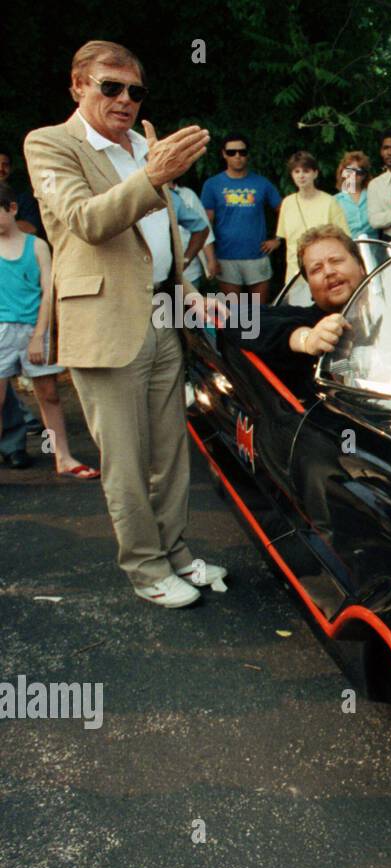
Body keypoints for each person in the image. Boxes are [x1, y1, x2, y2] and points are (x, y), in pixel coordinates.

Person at [24, 39, 225, 608]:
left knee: (170, 451)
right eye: (109, 87)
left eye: (135, 90)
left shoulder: (145, 141)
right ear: (78, 86)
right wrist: (151, 175)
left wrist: (187, 291)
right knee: (127, 460)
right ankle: (144, 567)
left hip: (161, 314)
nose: (125, 99)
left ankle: (176, 553)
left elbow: (161, 239)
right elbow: (87, 222)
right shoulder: (49, 144)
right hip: (104, 324)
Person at [0, 180, 98, 478]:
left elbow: (48, 292)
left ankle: (59, 455)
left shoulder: (37, 245)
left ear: (12, 208)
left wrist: (39, 333)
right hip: (1, 331)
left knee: (49, 395)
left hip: (35, 329)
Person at [245, 224, 362, 393]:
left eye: (336, 261)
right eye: (316, 269)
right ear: (309, 285)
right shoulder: (305, 319)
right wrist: (305, 339)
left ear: (361, 265)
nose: (328, 272)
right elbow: (237, 318)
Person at [201, 133, 282, 303]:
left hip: (257, 256)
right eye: (232, 152)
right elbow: (205, 224)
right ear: (224, 154)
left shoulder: (262, 183)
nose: (237, 156)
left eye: (242, 152)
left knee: (261, 313)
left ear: (247, 154)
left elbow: (285, 211)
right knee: (232, 314)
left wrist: (278, 240)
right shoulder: (212, 185)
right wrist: (210, 258)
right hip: (226, 257)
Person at [275, 151, 349, 280]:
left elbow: (344, 239)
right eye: (296, 171)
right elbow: (286, 240)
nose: (301, 176)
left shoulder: (330, 202)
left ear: (315, 173)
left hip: (325, 273)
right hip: (295, 274)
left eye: (306, 171)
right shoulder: (287, 203)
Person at [169, 179, 213, 286]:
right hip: (155, 275)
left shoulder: (187, 195)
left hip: (189, 272)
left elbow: (202, 228)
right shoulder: (144, 194)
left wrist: (211, 259)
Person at [0, 149, 46, 238]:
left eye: (5, 165)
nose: (1, 169)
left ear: (11, 168)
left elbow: (32, 228)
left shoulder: (23, 197)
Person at [334, 151, 375, 239]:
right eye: (350, 171)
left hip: (374, 249)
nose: (354, 175)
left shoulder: (375, 197)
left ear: (364, 175)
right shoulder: (335, 201)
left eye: (358, 172)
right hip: (347, 249)